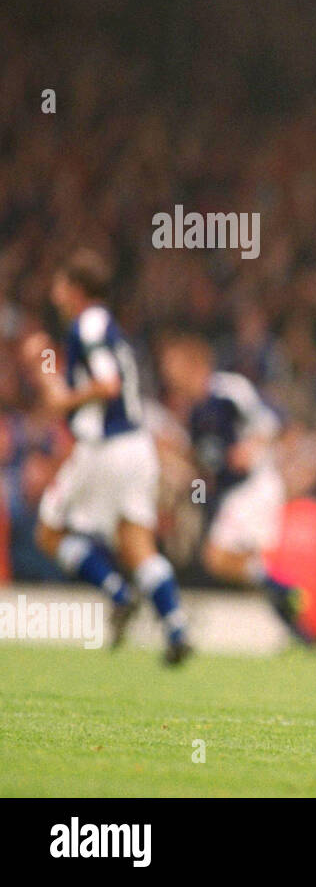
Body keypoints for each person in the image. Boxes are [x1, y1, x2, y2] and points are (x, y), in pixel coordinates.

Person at [22, 250, 193, 664]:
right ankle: (176, 628)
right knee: (137, 543)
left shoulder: (91, 323)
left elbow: (107, 384)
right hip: (136, 447)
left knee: (48, 532)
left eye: (61, 285)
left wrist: (59, 389)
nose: (55, 293)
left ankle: (118, 594)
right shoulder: (105, 326)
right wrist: (49, 379)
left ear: (77, 290)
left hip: (105, 448)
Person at [157, 332, 300, 635]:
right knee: (239, 562)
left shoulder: (229, 390)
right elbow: (205, 462)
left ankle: (285, 590)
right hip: (234, 492)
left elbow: (273, 422)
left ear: (195, 365)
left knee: (218, 558)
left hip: (253, 486)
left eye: (174, 365)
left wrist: (252, 447)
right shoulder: (194, 413)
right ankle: (297, 628)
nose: (169, 374)